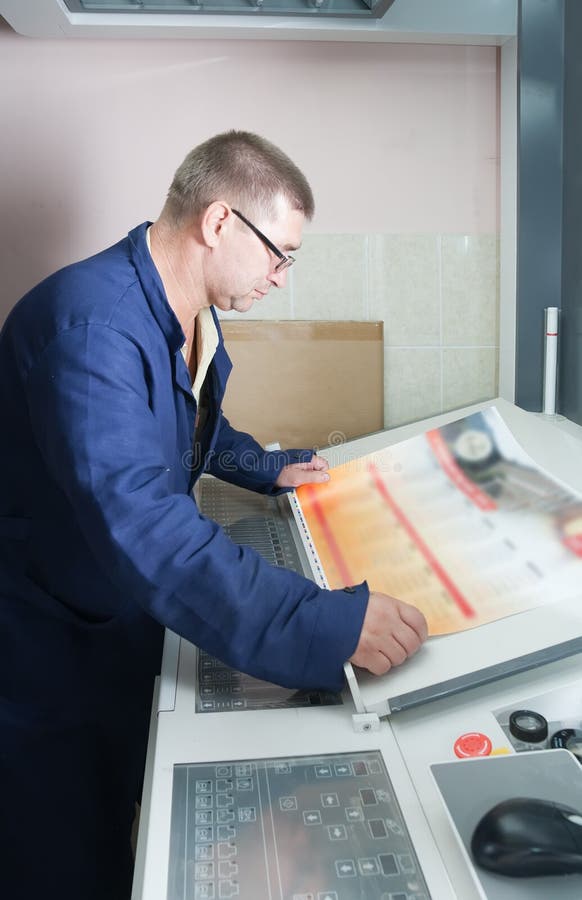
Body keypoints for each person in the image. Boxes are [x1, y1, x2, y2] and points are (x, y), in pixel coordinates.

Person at [0, 130, 428, 900]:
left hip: (108, 620)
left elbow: (179, 421)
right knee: (65, 861)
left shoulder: (176, 306)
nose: (282, 277)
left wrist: (262, 467)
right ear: (221, 221)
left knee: (116, 829)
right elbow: (149, 531)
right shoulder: (93, 328)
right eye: (280, 254)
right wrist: (325, 625)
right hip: (44, 659)